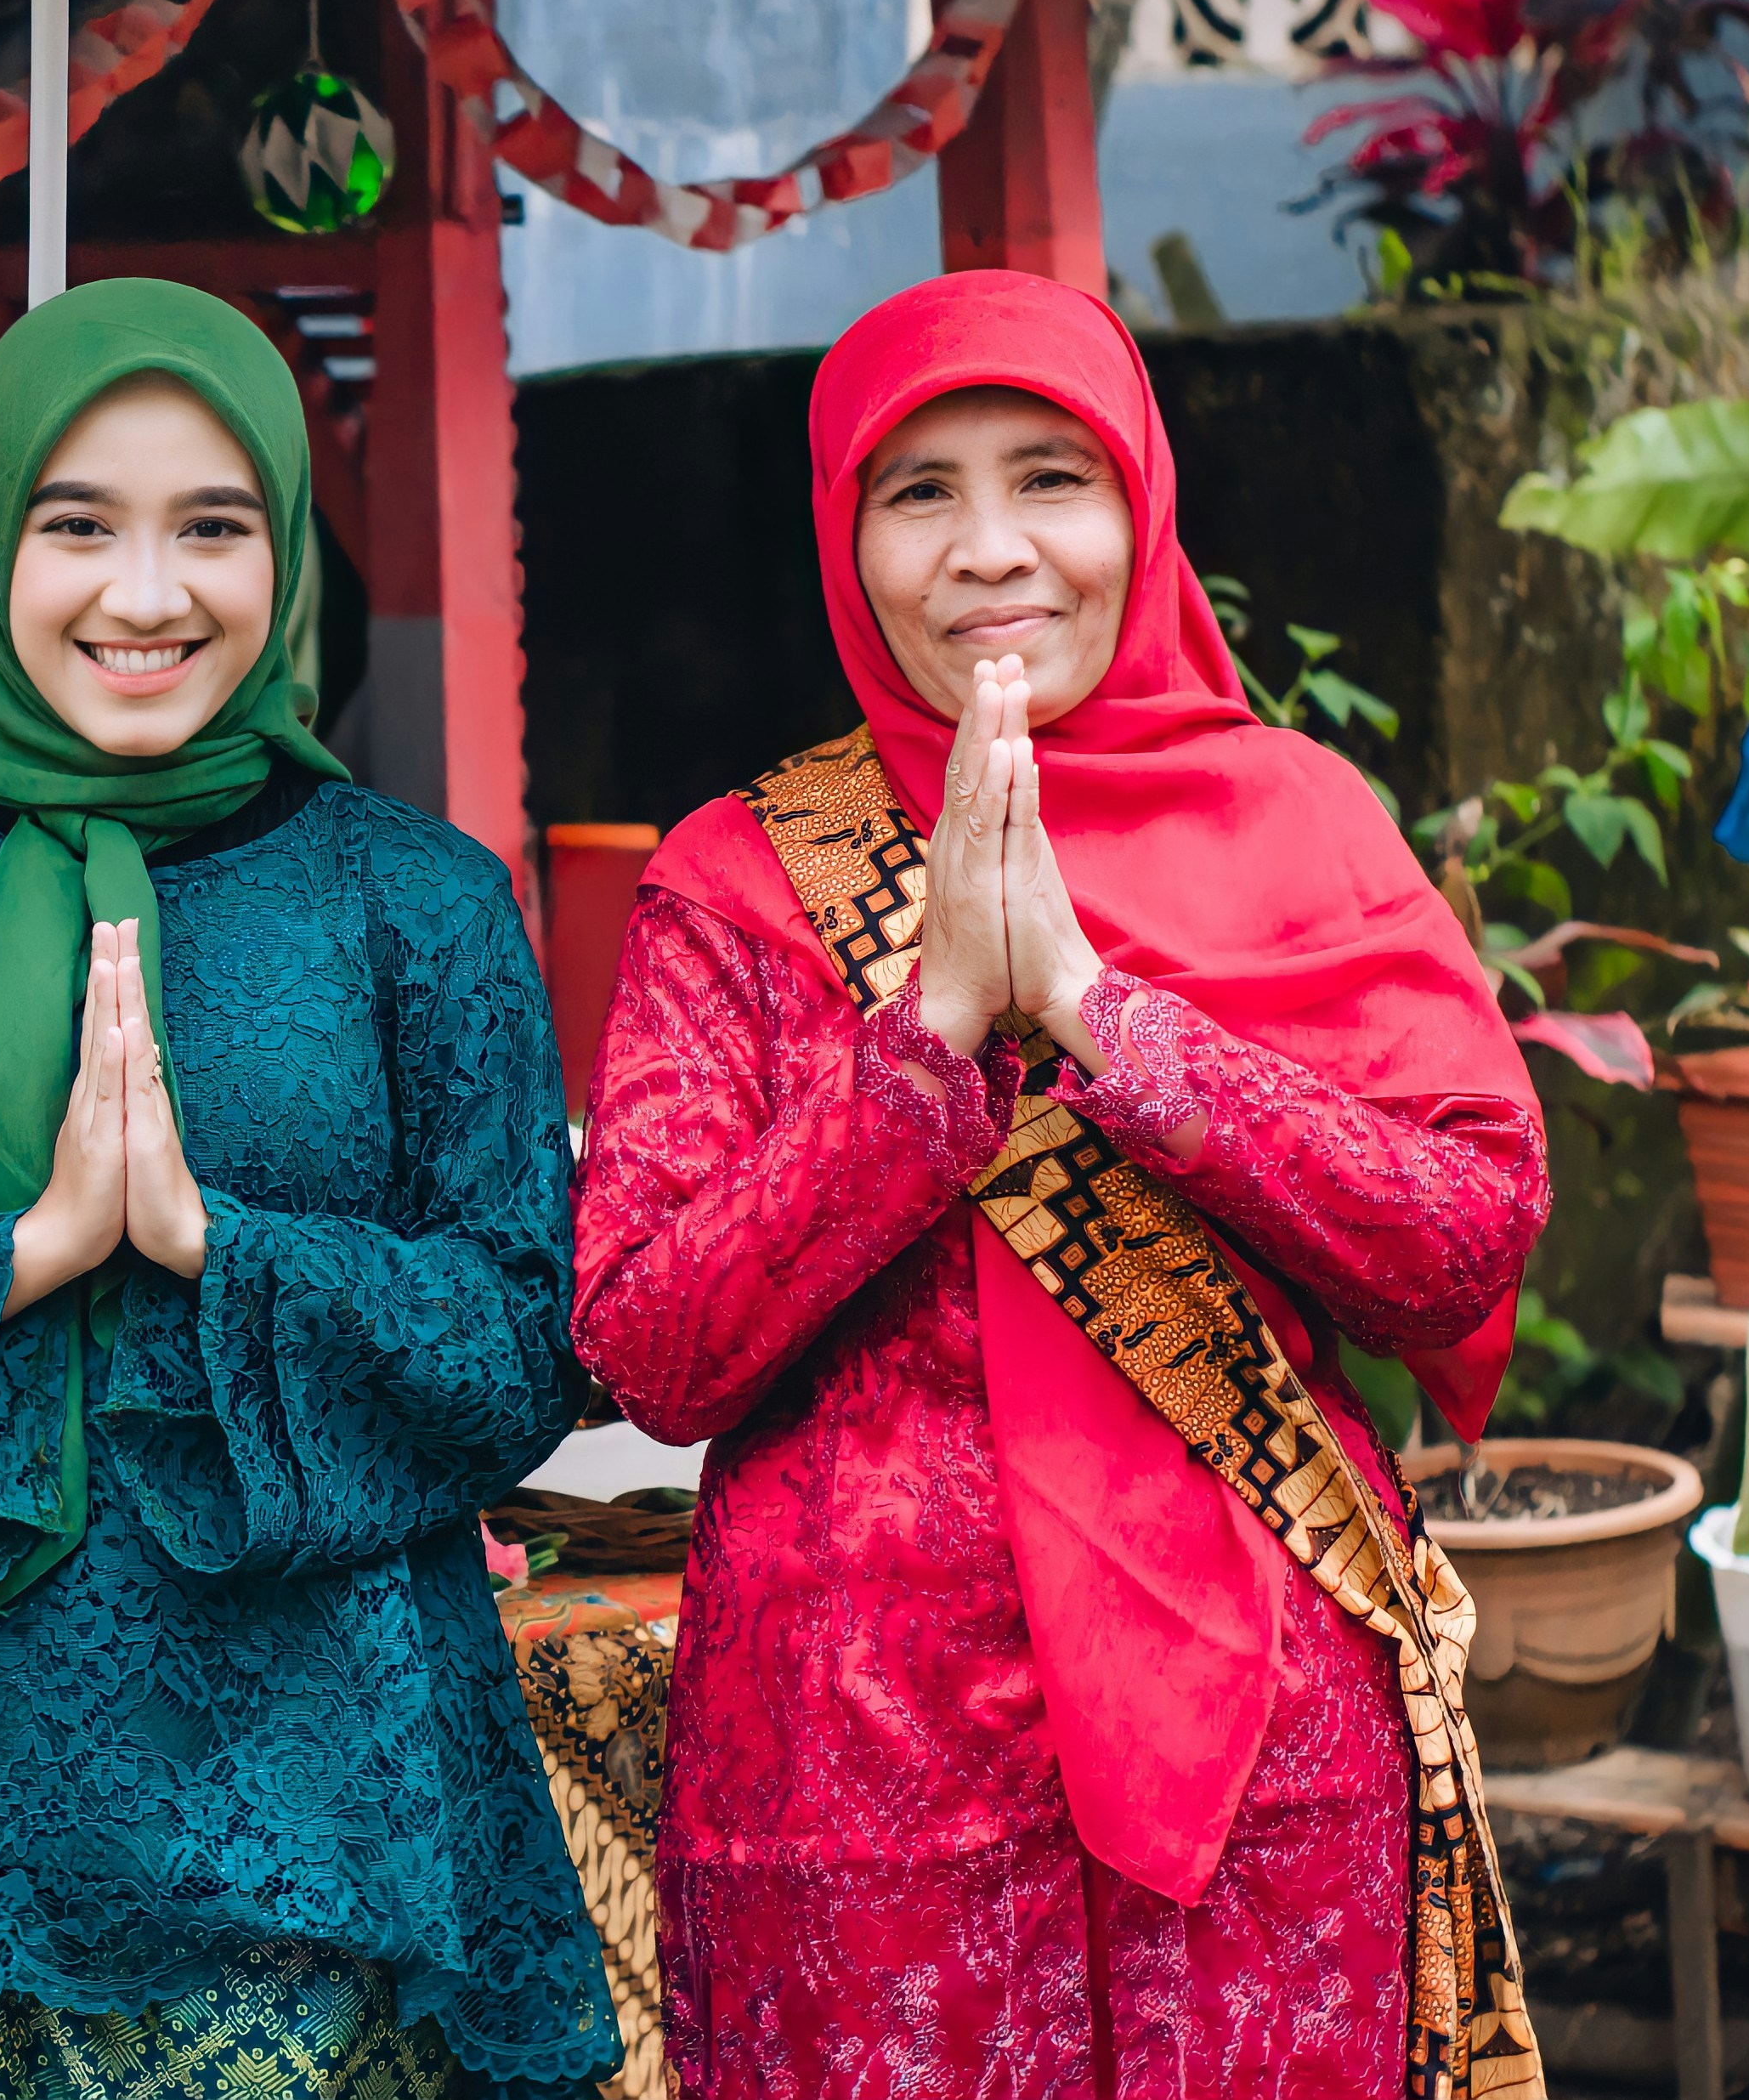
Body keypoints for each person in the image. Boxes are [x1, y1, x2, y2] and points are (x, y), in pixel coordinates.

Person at [0, 279, 615, 2099]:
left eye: (209, 529)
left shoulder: (417, 905)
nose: (143, 597)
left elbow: (528, 1341)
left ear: (282, 554)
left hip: (315, 1827)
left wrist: (225, 1253)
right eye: (78, 526)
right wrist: (16, 1257)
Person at [569, 271, 1551, 2100]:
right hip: (850, 1786)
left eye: (1048, 475)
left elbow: (1458, 1242)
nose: (988, 548)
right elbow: (648, 1346)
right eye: (916, 491)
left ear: (1137, 505)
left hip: (1264, 1763)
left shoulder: (1302, 824)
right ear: (841, 536)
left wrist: (1109, 1026)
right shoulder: (735, 882)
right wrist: (925, 1041)